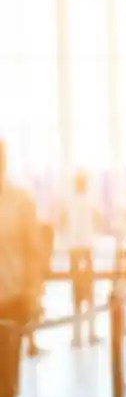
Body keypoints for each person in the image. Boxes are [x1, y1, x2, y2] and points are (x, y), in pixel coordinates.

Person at [0, 140, 44, 380]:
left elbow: (33, 252)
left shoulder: (20, 202)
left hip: (9, 303)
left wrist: (33, 295)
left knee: (6, 385)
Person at [62, 170, 102, 346]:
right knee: (89, 293)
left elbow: (62, 223)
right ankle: (91, 333)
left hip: (73, 249)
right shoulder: (90, 201)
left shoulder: (69, 202)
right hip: (86, 249)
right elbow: (98, 221)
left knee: (77, 293)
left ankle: (76, 336)